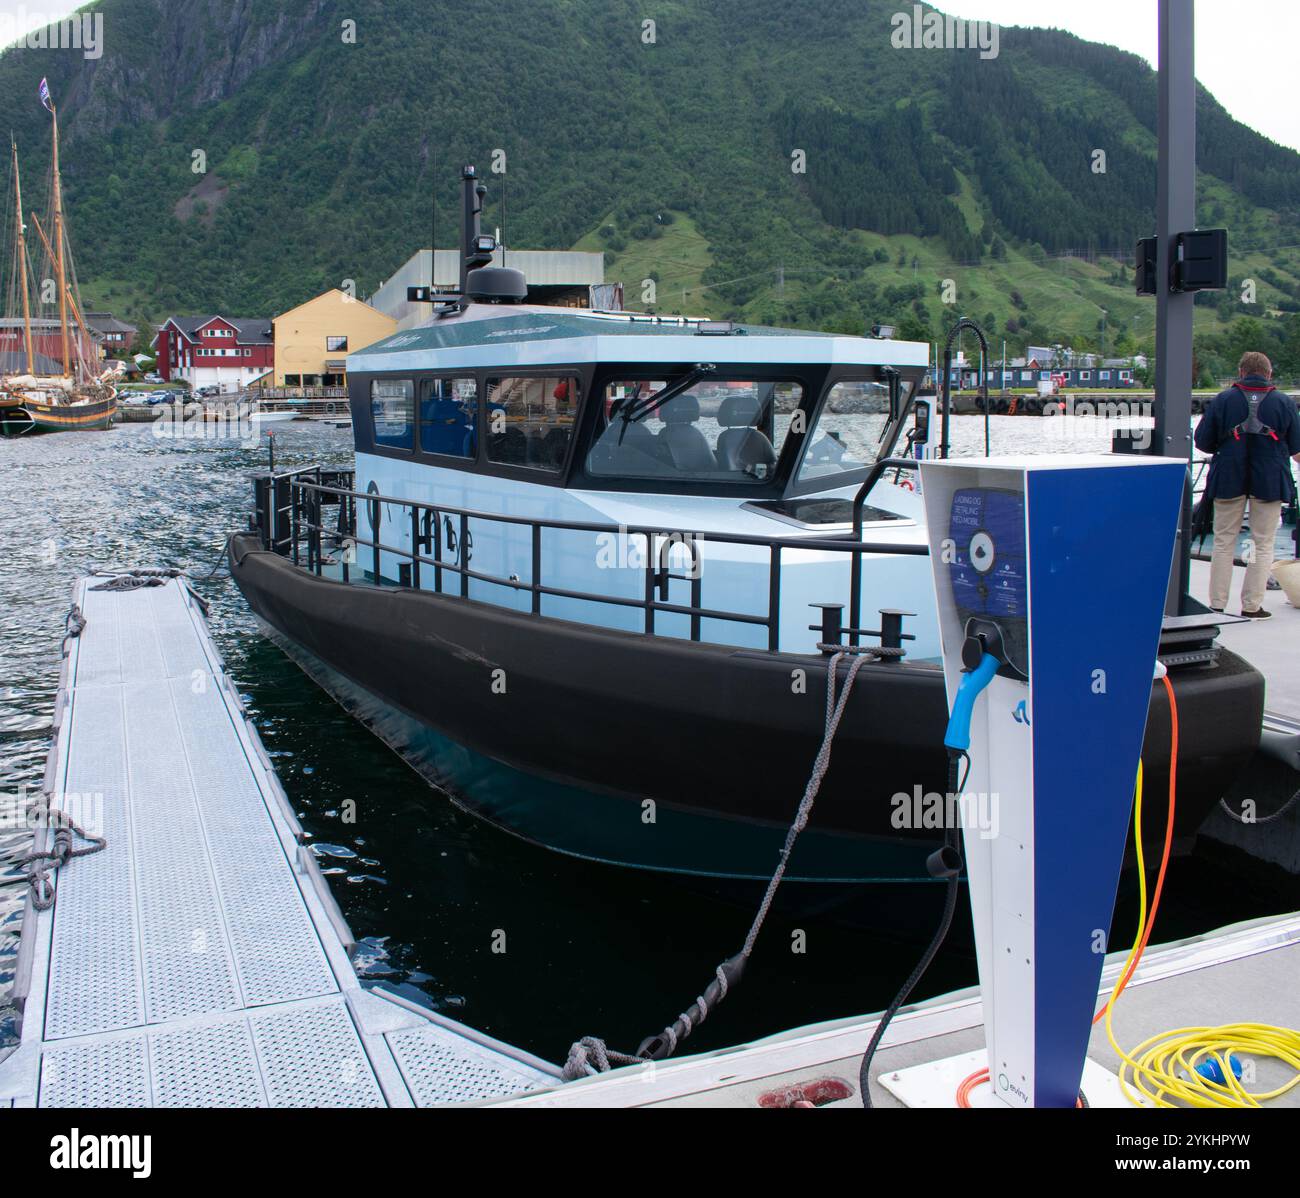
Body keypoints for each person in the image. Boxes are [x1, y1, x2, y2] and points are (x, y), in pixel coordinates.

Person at [1193, 351, 1300, 619]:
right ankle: (1251, 605)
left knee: (1223, 541)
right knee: (1261, 543)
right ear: (1269, 374)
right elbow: (1297, 448)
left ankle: (1217, 604)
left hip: (1228, 478)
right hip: (1269, 482)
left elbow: (1203, 442)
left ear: (1240, 373)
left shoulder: (1223, 400)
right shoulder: (1284, 403)